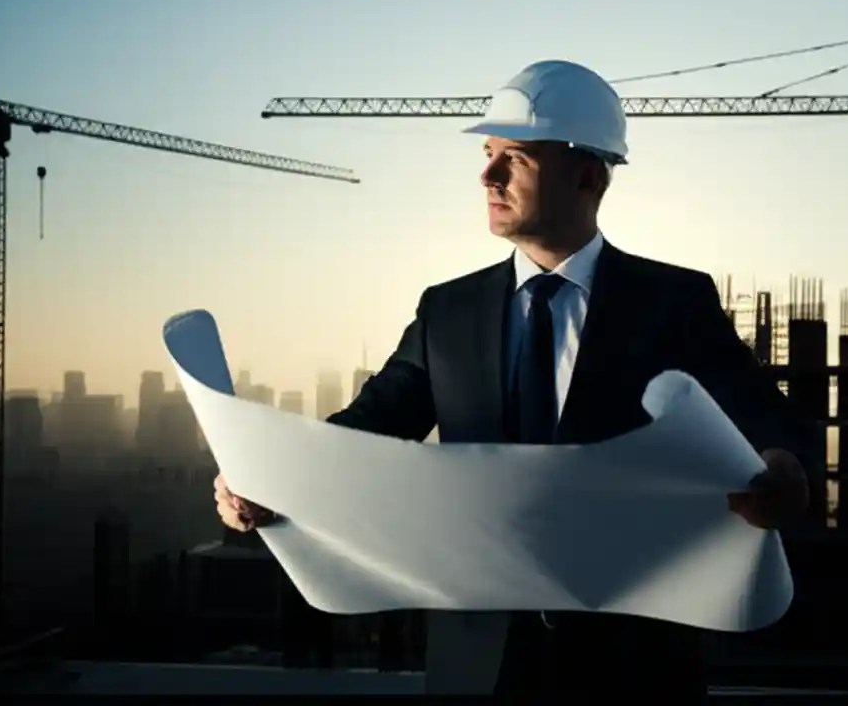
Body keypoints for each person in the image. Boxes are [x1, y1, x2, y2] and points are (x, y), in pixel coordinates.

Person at [214, 59, 817, 698]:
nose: (488, 176)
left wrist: (782, 470)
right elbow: (365, 431)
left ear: (587, 176)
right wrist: (269, 477)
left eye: (517, 158)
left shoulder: (674, 303)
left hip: (631, 666)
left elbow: (768, 421)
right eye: (488, 154)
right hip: (478, 666)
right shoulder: (448, 311)